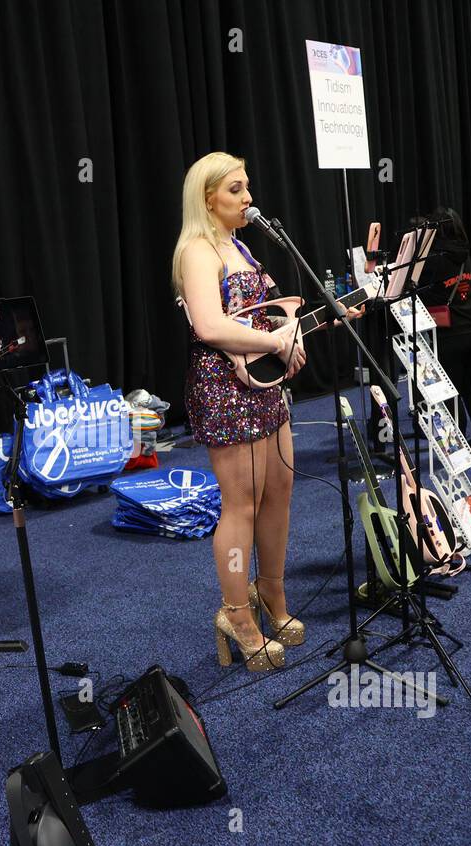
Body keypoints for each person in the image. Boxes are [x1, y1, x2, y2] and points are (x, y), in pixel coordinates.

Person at [174, 152, 355, 671]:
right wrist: (275, 340)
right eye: (235, 190)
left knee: (279, 492)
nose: (248, 198)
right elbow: (209, 326)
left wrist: (302, 330)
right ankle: (236, 613)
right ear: (207, 197)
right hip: (224, 391)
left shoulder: (242, 249)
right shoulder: (197, 251)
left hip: (265, 390)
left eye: (246, 187)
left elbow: (274, 318)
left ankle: (272, 594)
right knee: (242, 505)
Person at [413, 207, 471, 453]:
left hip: (451, 334)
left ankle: (457, 445)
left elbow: (417, 289)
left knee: (450, 391)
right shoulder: (465, 254)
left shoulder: (433, 259)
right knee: (469, 386)